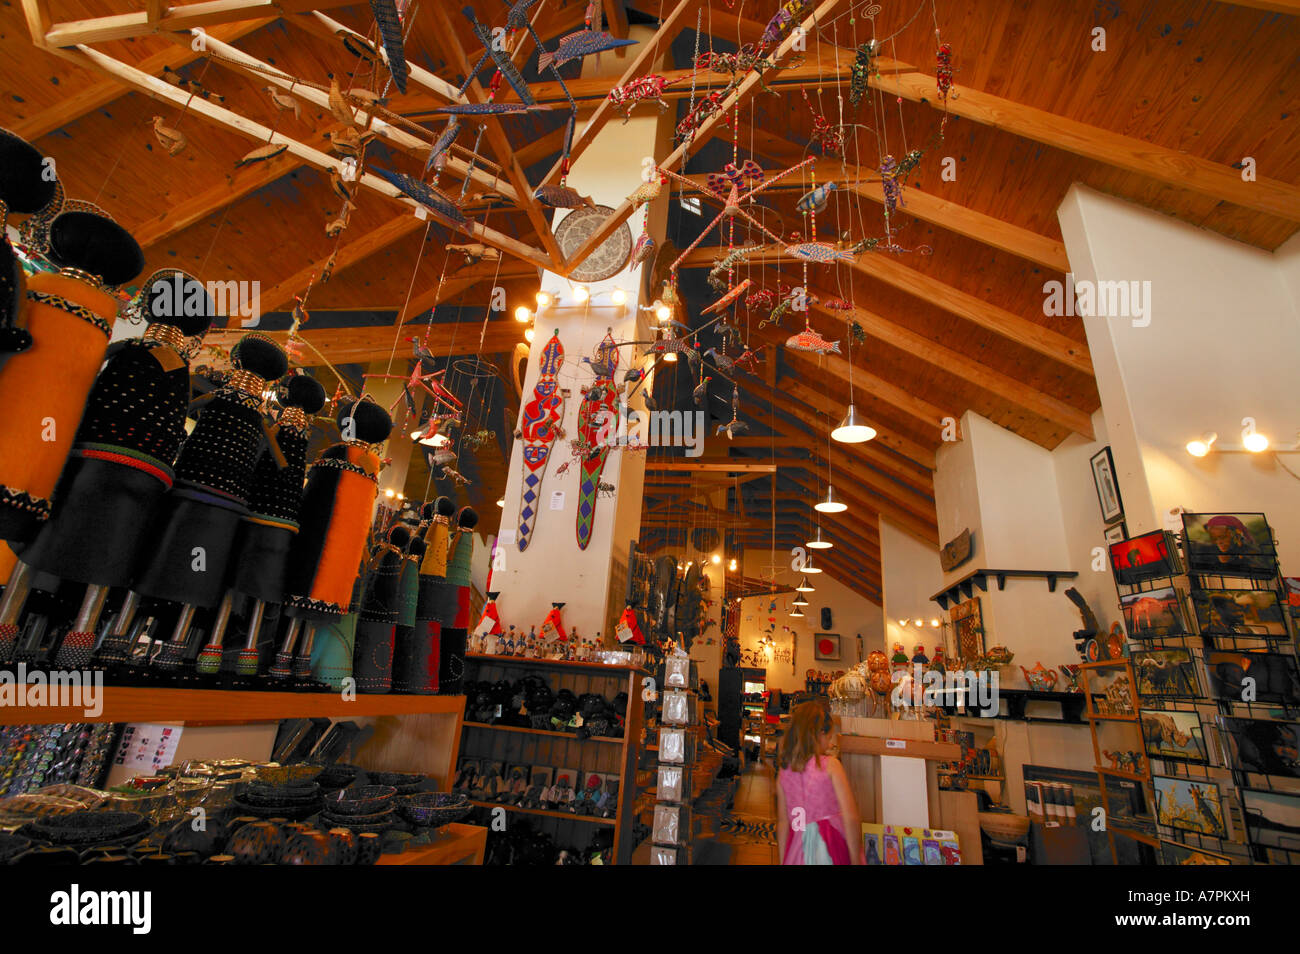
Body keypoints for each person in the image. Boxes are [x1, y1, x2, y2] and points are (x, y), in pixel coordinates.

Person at [776, 698, 862, 864]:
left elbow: (783, 822)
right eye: (829, 738)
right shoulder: (831, 765)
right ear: (819, 734)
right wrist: (855, 858)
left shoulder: (783, 771)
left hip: (797, 847)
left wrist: (783, 859)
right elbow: (850, 817)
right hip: (830, 845)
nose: (829, 745)